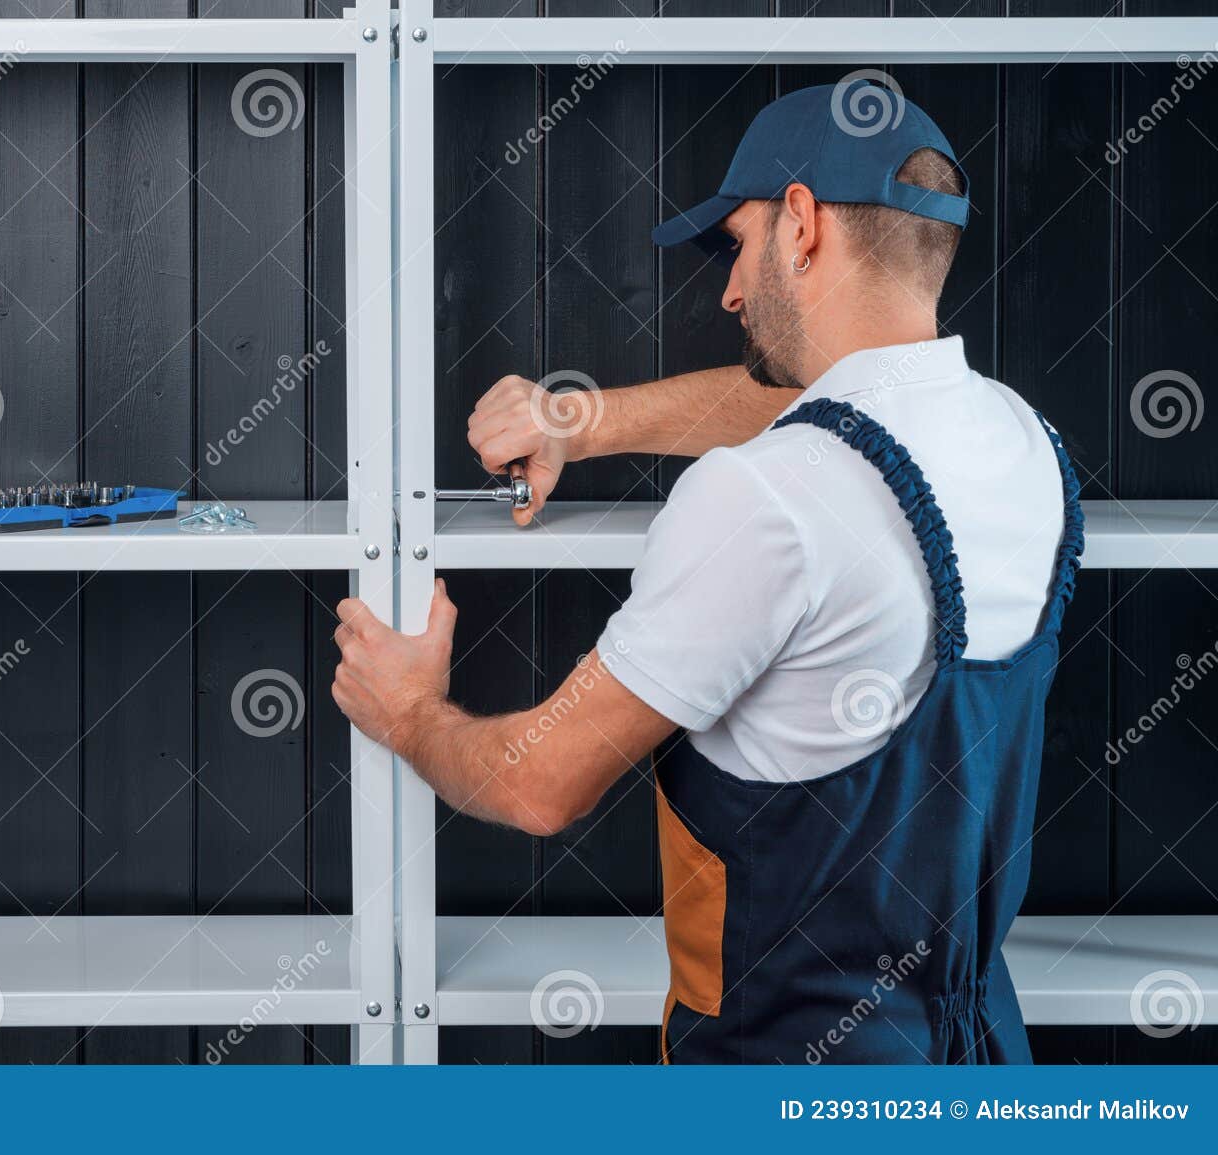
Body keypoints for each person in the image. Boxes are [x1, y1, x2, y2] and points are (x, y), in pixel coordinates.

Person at [331, 83, 1082, 1064]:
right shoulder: (1026, 443)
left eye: (736, 242)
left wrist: (408, 714)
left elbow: (541, 787)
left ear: (802, 222)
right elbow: (828, 406)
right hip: (983, 1056)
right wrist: (576, 421)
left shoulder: (760, 499)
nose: (728, 291)